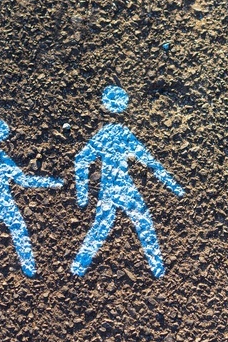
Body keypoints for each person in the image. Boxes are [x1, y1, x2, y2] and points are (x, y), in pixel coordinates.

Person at [72, 86, 185, 277]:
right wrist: (173, 186)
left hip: (112, 188)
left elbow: (81, 159)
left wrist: (82, 195)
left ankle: (78, 268)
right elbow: (149, 161)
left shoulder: (110, 134)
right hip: (121, 187)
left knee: (105, 225)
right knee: (140, 223)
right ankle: (158, 270)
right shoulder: (119, 133)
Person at [0, 119, 63, 277]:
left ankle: (29, 269)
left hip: (2, 203)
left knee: (15, 231)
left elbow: (22, 180)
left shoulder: (3, 159)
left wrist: (49, 182)